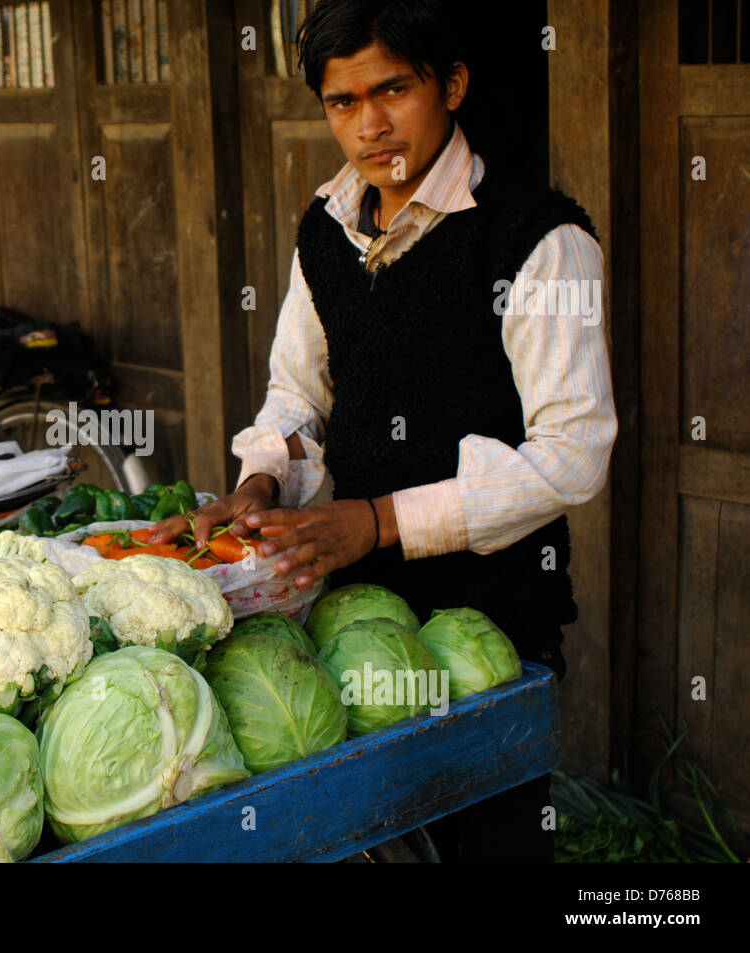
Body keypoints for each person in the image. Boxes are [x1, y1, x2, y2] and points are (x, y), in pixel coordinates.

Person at [149, 0, 617, 861]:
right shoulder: (324, 231)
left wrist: (373, 519)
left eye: (393, 90)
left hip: (491, 618)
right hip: (346, 604)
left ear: (452, 84)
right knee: (361, 831)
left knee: (490, 836)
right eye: (342, 101)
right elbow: (297, 392)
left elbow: (573, 454)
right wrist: (260, 482)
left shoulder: (542, 240)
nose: (370, 124)